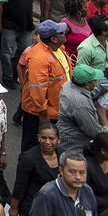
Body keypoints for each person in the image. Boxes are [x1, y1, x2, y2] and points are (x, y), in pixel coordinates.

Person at [20, 20, 72, 152]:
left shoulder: (58, 49)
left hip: (56, 110)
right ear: (54, 39)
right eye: (61, 32)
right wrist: (44, 116)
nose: (65, 33)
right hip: (40, 114)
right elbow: (38, 90)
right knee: (32, 149)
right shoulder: (39, 58)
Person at [57, 62, 108, 156]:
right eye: (95, 80)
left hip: (63, 136)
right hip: (75, 148)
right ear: (87, 84)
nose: (97, 82)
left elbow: (88, 92)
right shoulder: (81, 104)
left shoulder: (69, 84)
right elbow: (93, 131)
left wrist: (106, 88)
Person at [10, 124, 60, 216]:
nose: (47, 142)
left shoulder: (63, 156)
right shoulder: (28, 159)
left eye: (51, 138)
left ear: (58, 140)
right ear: (38, 138)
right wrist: (14, 208)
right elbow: (20, 185)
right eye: (44, 138)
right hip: (32, 207)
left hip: (55, 207)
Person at [28, 152, 95, 216]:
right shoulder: (46, 195)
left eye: (82, 172)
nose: (78, 177)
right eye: (72, 172)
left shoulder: (88, 191)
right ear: (61, 170)